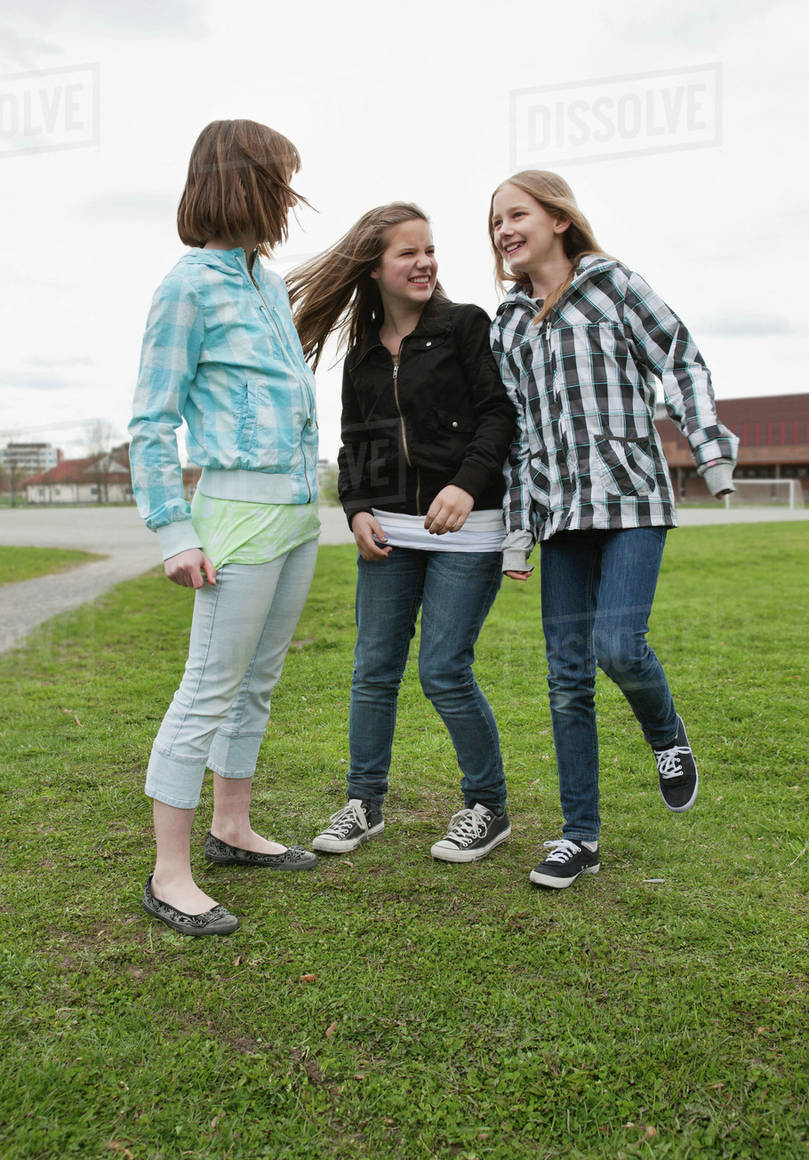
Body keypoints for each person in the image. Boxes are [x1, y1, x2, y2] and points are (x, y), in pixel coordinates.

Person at [488, 170, 738, 889]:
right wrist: (518, 532)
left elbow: (680, 359)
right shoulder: (508, 325)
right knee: (566, 679)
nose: (504, 231)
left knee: (617, 646)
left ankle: (665, 733)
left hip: (632, 502)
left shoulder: (614, 286)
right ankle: (579, 837)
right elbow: (518, 439)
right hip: (561, 516)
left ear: (558, 218)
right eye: (495, 222)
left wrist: (709, 450)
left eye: (516, 215)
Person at [129, 119, 320, 937]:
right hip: (234, 517)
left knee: (256, 684)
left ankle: (232, 827)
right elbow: (151, 421)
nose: (290, 196)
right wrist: (174, 531)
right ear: (244, 183)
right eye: (281, 179)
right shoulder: (186, 288)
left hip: (297, 514)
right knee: (206, 688)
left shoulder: (266, 285)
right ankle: (169, 874)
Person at [288, 203, 516, 862]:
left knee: (443, 670)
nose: (424, 263)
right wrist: (356, 508)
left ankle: (486, 807)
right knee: (373, 671)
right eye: (407, 253)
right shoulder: (362, 352)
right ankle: (363, 803)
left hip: (466, 529)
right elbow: (353, 441)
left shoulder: (465, 325)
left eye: (429, 250)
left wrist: (465, 484)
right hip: (387, 533)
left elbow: (498, 415)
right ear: (374, 267)